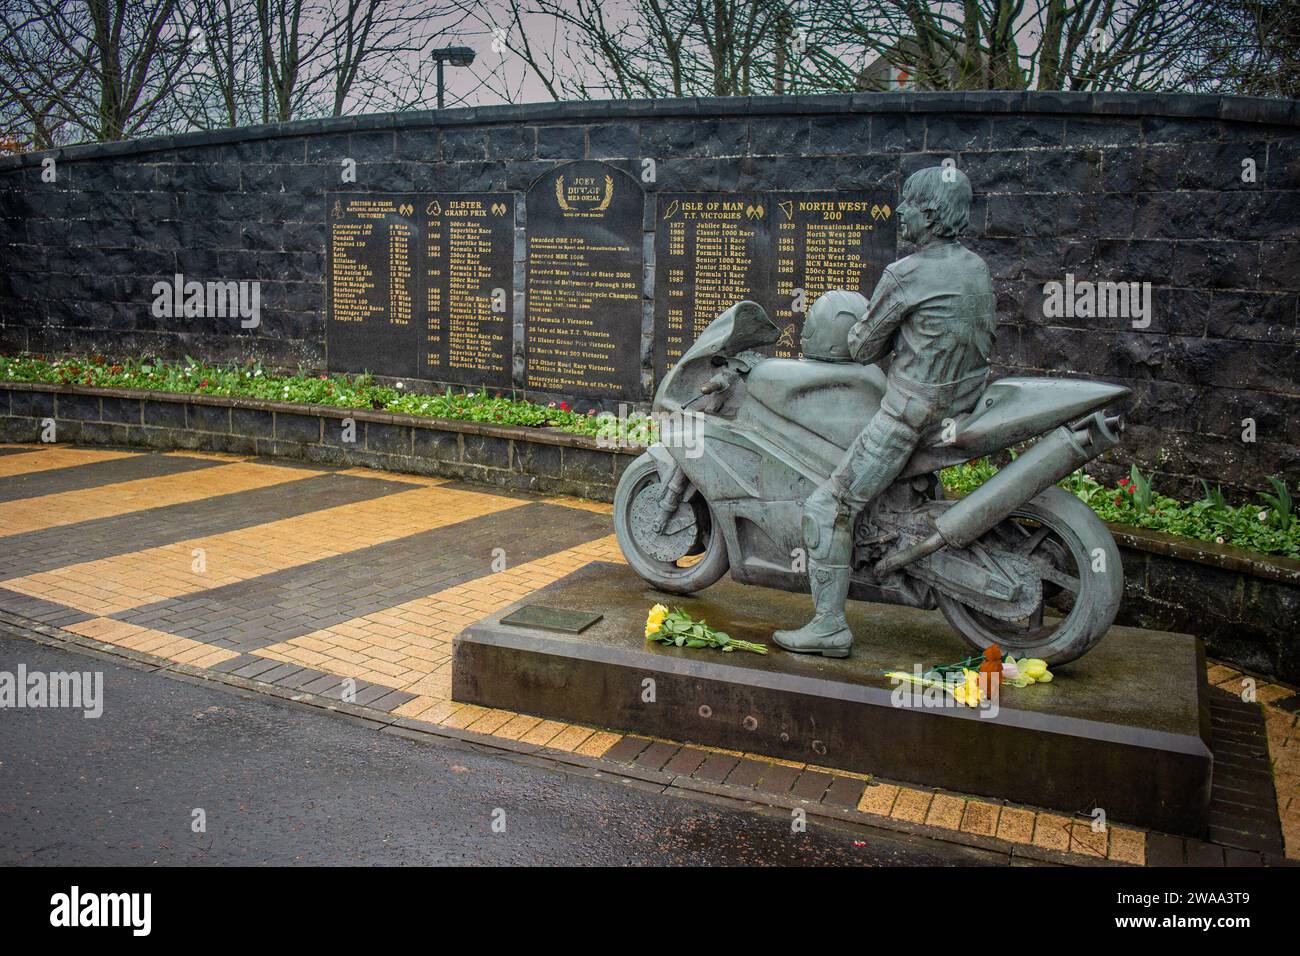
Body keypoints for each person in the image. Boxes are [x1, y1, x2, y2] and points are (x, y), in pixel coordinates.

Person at [774, 165, 997, 657]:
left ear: (932, 215)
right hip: (961, 407)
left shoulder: (907, 274)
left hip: (909, 416)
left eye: (910, 207)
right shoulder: (976, 268)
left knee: (827, 506)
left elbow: (860, 344)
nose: (900, 216)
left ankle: (829, 626)